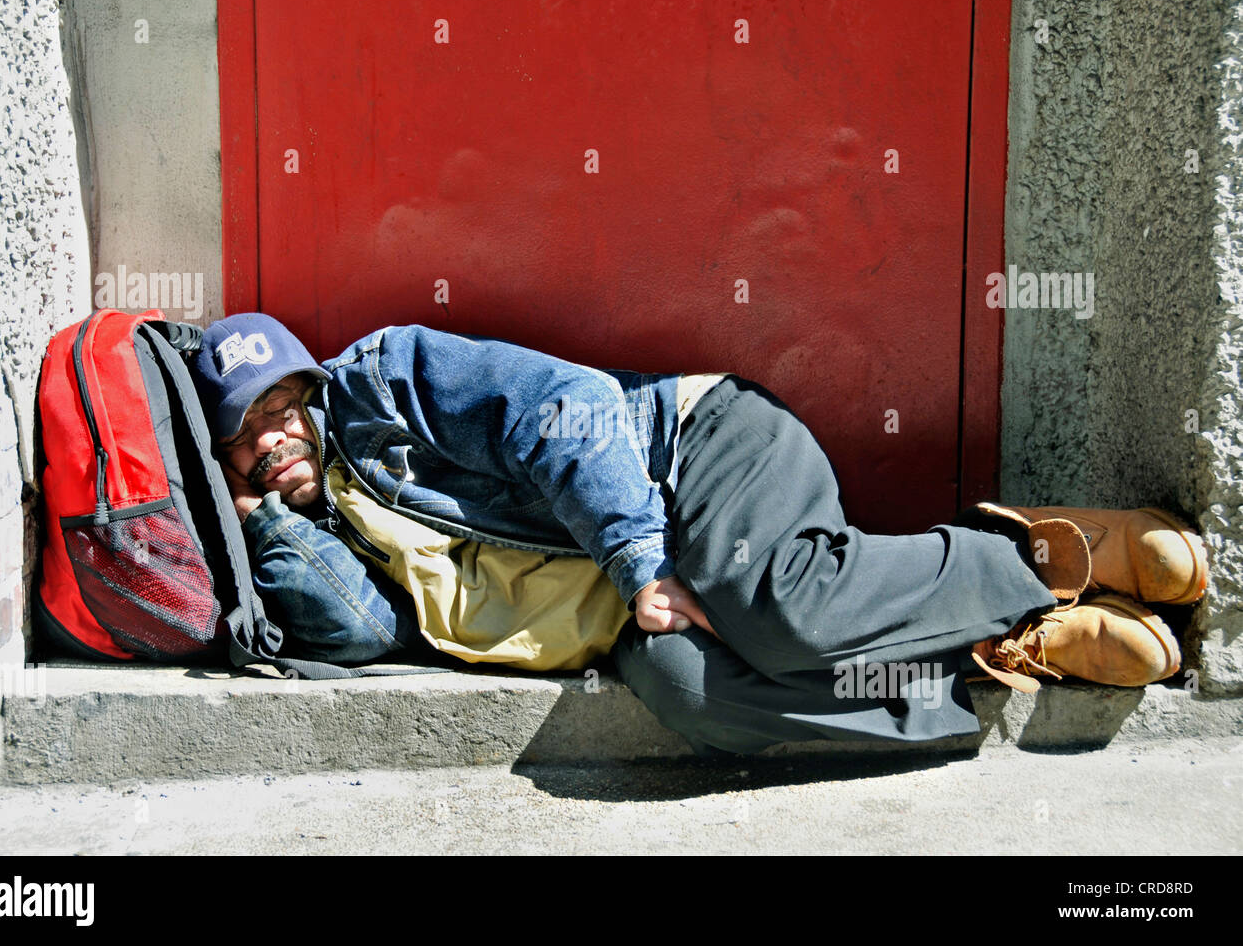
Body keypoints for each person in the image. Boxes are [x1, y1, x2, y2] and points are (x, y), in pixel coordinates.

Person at [189, 313, 1208, 756]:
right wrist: (270, 520)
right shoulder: (316, 526)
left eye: (283, 402)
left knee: (775, 608)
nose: (271, 432)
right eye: (244, 428)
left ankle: (1040, 556)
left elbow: (569, 408)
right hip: (626, 609)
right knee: (692, 694)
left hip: (694, 455)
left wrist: (637, 561)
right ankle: (985, 665)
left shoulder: (382, 382)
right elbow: (359, 633)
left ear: (314, 385)